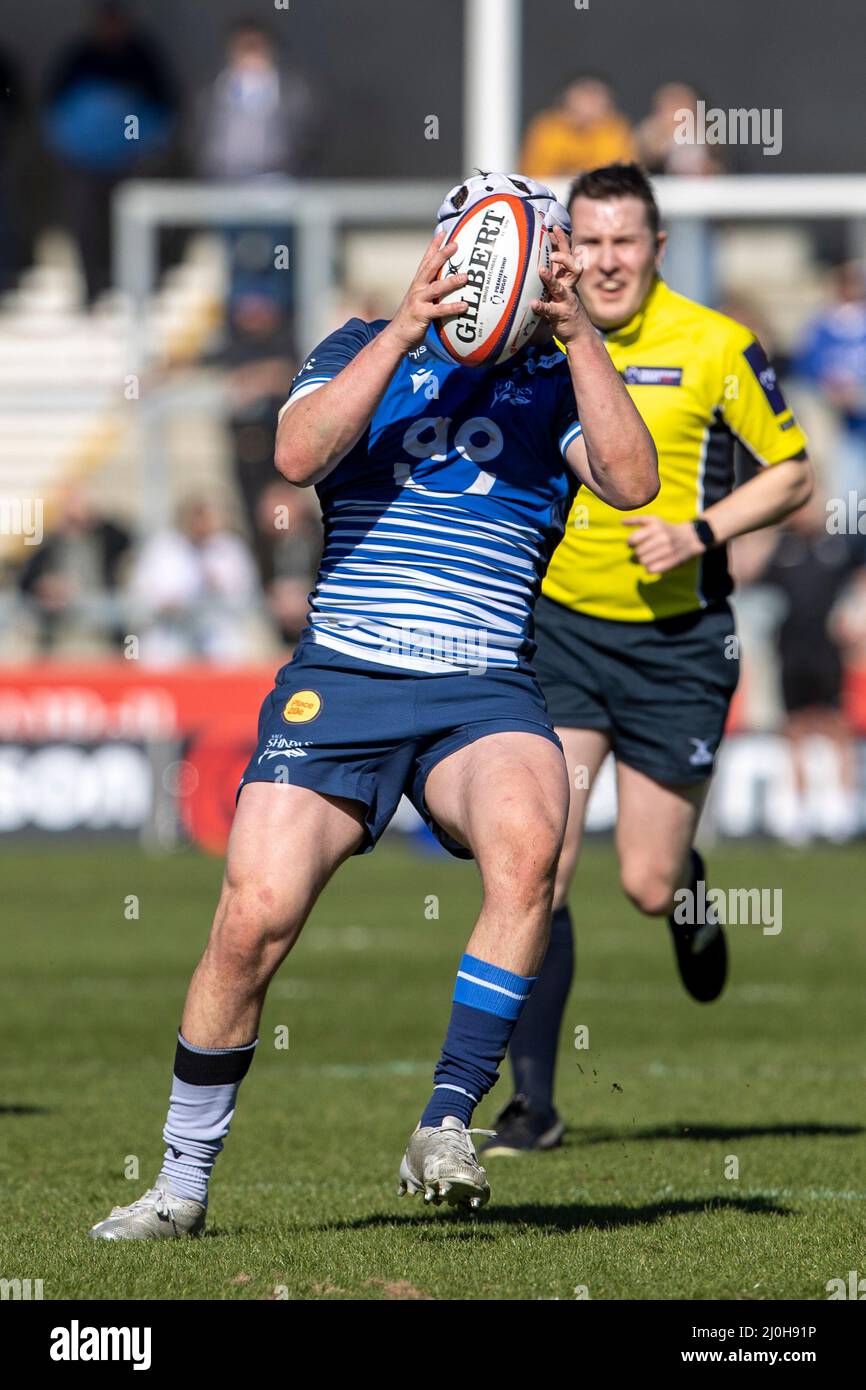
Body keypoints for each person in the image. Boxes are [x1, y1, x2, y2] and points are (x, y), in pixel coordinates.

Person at [88, 172, 658, 1237]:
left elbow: (631, 484)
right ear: (441, 254)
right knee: (251, 920)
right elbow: (298, 453)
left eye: (533, 255)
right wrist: (402, 329)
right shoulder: (359, 344)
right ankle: (178, 1183)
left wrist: (579, 336)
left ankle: (446, 1117)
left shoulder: (554, 379)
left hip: (481, 687)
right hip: (342, 679)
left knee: (532, 842)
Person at [486, 163, 813, 1156]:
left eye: (624, 241)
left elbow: (792, 472)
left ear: (656, 248)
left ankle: (687, 886)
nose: (605, 260)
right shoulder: (534, 345)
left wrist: (698, 531)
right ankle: (532, 1105)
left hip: (677, 646)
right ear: (562, 248)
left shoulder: (714, 343)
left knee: (641, 879)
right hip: (561, 635)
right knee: (535, 867)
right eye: (586, 241)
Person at [43, 1, 177, 303]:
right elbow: (52, 107)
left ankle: (135, 289)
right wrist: (65, 146)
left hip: (131, 163)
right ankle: (92, 289)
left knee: (132, 228)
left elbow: (166, 106)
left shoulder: (143, 58)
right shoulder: (78, 58)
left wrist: (151, 148)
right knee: (86, 226)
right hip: (83, 164)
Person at [520, 76, 635, 178]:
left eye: (596, 96)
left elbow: (617, 170)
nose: (590, 102)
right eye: (585, 95)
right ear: (566, 98)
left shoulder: (615, 128)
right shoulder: (547, 127)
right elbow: (537, 172)